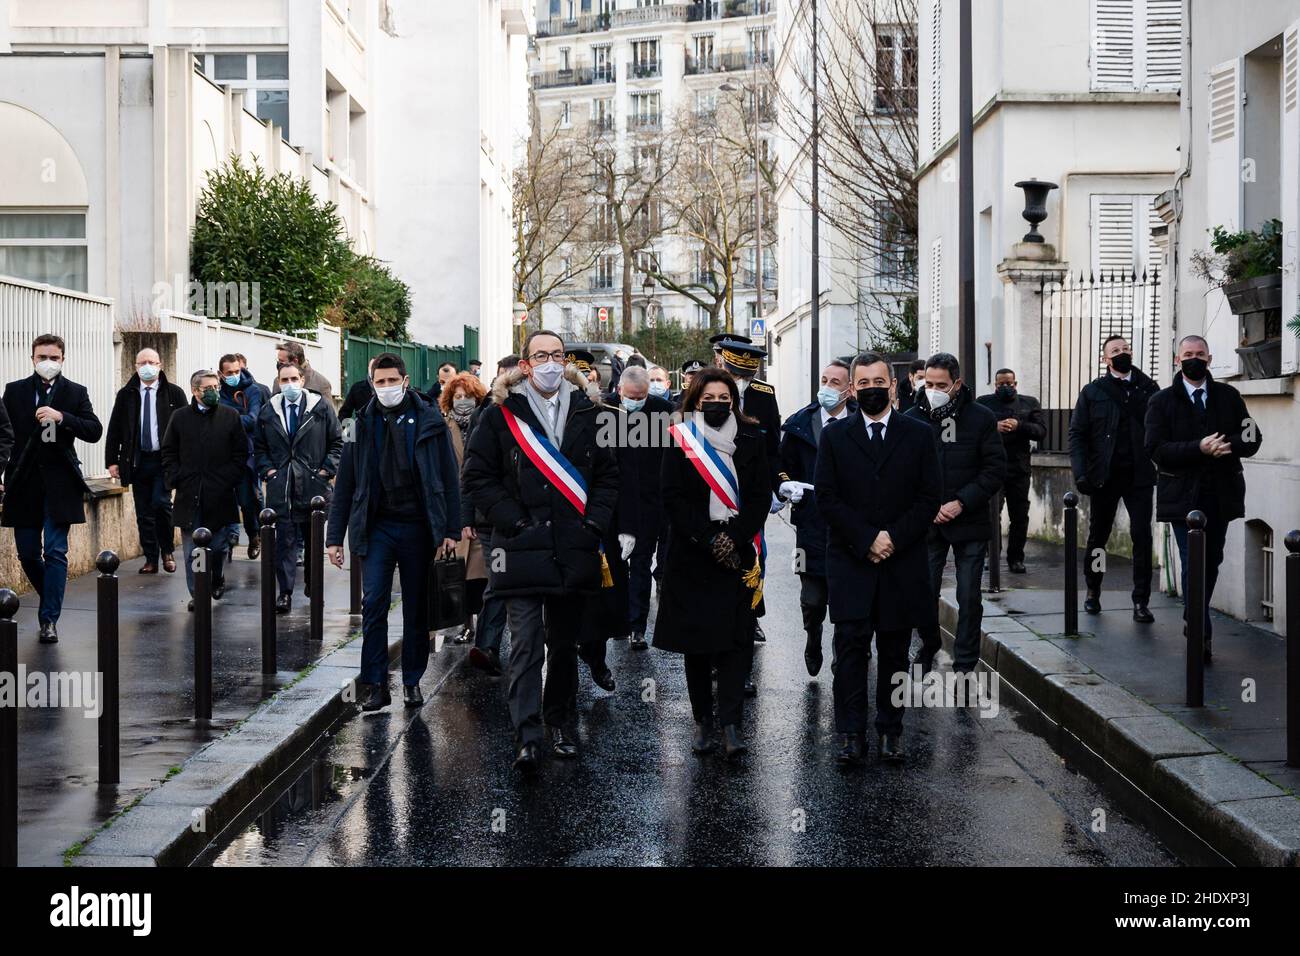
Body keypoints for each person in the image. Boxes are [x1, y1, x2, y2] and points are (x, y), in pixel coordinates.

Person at [462, 330, 618, 772]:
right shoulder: (499, 416)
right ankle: (527, 735)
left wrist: (593, 525)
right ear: (525, 365)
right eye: (539, 356)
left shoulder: (592, 413)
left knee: (565, 643)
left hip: (574, 545)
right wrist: (513, 520)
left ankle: (561, 723)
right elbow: (477, 477)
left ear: (563, 360)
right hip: (520, 548)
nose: (549, 362)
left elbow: (609, 478)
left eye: (556, 355)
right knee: (527, 643)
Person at [815, 352, 941, 763]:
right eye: (863, 382)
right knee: (850, 649)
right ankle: (851, 734)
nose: (871, 389)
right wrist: (868, 539)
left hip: (901, 561)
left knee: (894, 649)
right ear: (852, 389)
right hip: (851, 559)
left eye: (878, 381)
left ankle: (890, 730)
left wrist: (892, 538)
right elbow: (828, 498)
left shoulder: (919, 435)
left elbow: (928, 498)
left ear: (893, 384)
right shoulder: (834, 436)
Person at [326, 353, 460, 710]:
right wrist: (334, 537)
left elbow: (448, 478)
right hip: (377, 527)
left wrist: (451, 528)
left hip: (417, 526)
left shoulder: (430, 419)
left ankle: (412, 680)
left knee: (416, 607)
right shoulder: (359, 423)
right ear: (372, 384)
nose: (386, 388)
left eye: (391, 381)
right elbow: (345, 486)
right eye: (379, 382)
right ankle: (375, 684)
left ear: (405, 380)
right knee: (374, 606)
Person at [653, 367, 769, 759]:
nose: (717, 404)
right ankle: (704, 721)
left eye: (724, 398)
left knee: (737, 641)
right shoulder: (680, 436)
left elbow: (759, 497)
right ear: (696, 400)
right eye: (709, 399)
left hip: (737, 551)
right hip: (692, 552)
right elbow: (671, 496)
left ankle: (732, 724)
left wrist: (733, 538)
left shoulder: (753, 436)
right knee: (697, 644)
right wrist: (707, 537)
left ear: (733, 401)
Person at [1145, 335, 1262, 663]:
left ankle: (1192, 617)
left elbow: (1253, 437)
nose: (1194, 359)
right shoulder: (1162, 402)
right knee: (1192, 561)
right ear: (1177, 359)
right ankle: (1200, 629)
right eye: (1187, 354)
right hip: (1181, 497)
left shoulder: (1228, 395)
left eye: (1199, 354)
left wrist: (1229, 446)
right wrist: (1198, 448)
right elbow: (1155, 449)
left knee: (1212, 561)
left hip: (1220, 494)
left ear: (1210, 358)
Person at [905, 352, 1006, 675]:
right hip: (928, 524)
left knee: (968, 595)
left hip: (970, 521)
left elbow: (994, 469)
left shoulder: (981, 418)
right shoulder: (911, 418)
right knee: (923, 592)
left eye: (941, 385)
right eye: (928, 383)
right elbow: (903, 472)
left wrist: (961, 502)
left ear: (957, 383)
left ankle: (965, 662)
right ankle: (930, 643)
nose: (933, 390)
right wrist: (928, 506)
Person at [2, 334, 104, 643]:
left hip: (61, 482)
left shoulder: (75, 393)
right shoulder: (15, 391)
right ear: (32, 359)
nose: (47, 362)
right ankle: (52, 595)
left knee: (56, 551)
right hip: (24, 481)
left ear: (63, 359)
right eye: (41, 357)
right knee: (28, 553)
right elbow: (5, 434)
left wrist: (62, 417)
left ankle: (49, 620)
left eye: (54, 357)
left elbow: (94, 430)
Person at [1068, 335, 1160, 622]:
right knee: (1099, 538)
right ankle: (1093, 591)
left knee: (1141, 537)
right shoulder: (1093, 391)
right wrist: (1081, 472)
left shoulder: (1148, 388)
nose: (1122, 353)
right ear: (1105, 359)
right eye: (1115, 351)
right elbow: (1077, 434)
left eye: (1125, 349)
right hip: (1104, 476)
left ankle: (1140, 601)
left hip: (1139, 475)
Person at [778, 359, 856, 676]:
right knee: (812, 599)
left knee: (845, 599)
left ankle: (843, 655)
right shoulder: (801, 425)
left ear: (849, 389)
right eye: (824, 380)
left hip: (849, 526)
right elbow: (782, 466)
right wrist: (785, 483)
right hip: (809, 524)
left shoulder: (860, 422)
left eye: (835, 382)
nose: (827, 387)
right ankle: (813, 638)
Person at [570, 349, 639, 690]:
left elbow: (623, 475)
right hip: (559, 521)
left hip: (602, 520)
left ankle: (595, 656)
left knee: (599, 595)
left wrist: (627, 525)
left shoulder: (610, 417)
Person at [255, 362, 344, 614]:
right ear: (279, 382)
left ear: (303, 380)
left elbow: (336, 442)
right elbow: (259, 447)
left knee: (314, 541)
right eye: (285, 380)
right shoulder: (268, 411)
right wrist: (269, 472)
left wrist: (326, 470)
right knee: (284, 543)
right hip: (281, 487)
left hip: (313, 486)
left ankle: (313, 586)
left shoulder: (321, 407)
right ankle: (284, 592)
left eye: (294, 378)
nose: (290, 384)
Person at [717, 336, 780, 672]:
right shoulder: (709, 392)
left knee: (756, 552)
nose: (740, 378)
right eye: (735, 371)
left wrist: (775, 485)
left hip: (751, 488)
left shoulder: (763, 396)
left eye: (745, 373)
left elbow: (772, 444)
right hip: (716, 484)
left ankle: (752, 612)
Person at [160, 370, 247, 612]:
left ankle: (217, 575)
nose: (213, 391)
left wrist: (227, 478)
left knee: (218, 547)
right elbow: (168, 452)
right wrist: (176, 477)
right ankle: (198, 593)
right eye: (207, 387)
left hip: (220, 495)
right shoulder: (179, 417)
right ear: (195, 391)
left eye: (216, 386)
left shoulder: (230, 416)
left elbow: (241, 454)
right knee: (192, 552)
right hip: (190, 495)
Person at [105, 348, 187, 574]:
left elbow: (185, 428)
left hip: (165, 461)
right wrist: (112, 461)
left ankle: (167, 551)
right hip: (137, 461)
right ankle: (151, 557)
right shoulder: (126, 394)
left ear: (160, 365)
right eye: (143, 362)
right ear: (135, 366)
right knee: (143, 511)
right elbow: (115, 428)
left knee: (161, 504)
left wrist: (184, 460)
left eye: (152, 361)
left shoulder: (174, 393)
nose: (148, 366)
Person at [464, 355, 521, 676]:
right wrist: (466, 517)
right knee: (498, 580)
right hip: (489, 520)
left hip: (528, 516)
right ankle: (487, 646)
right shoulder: (485, 415)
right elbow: (470, 472)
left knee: (517, 583)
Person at [619, 363, 673, 649]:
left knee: (664, 565)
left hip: (661, 501)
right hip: (627, 503)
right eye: (632, 397)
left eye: (641, 397)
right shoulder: (609, 413)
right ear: (620, 391)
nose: (637, 402)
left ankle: (666, 627)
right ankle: (634, 626)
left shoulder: (665, 412)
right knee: (636, 564)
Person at [976, 368, 1047, 574]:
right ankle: (993, 556)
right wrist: (994, 426)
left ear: (1015, 384)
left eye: (1009, 383)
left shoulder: (1029, 403)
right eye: (1001, 384)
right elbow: (974, 429)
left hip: (1019, 468)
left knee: (1019, 515)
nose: (1006, 387)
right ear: (995, 385)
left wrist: (1019, 425)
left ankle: (1016, 558)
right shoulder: (984, 403)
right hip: (993, 467)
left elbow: (1041, 431)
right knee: (992, 514)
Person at [439, 370, 490, 645]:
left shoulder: (485, 423)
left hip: (480, 509)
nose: (463, 402)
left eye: (468, 397)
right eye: (458, 397)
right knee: (458, 573)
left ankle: (486, 627)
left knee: (480, 575)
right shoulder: (443, 427)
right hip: (454, 507)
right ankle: (465, 624)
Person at [218, 353, 265, 560]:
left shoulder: (252, 390)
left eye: (237, 371)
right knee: (226, 499)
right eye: (229, 373)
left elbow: (253, 420)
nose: (234, 375)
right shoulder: (216, 391)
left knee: (248, 500)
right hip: (222, 455)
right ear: (221, 373)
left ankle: (254, 535)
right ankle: (229, 538)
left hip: (246, 455)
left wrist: (226, 414)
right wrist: (238, 414)